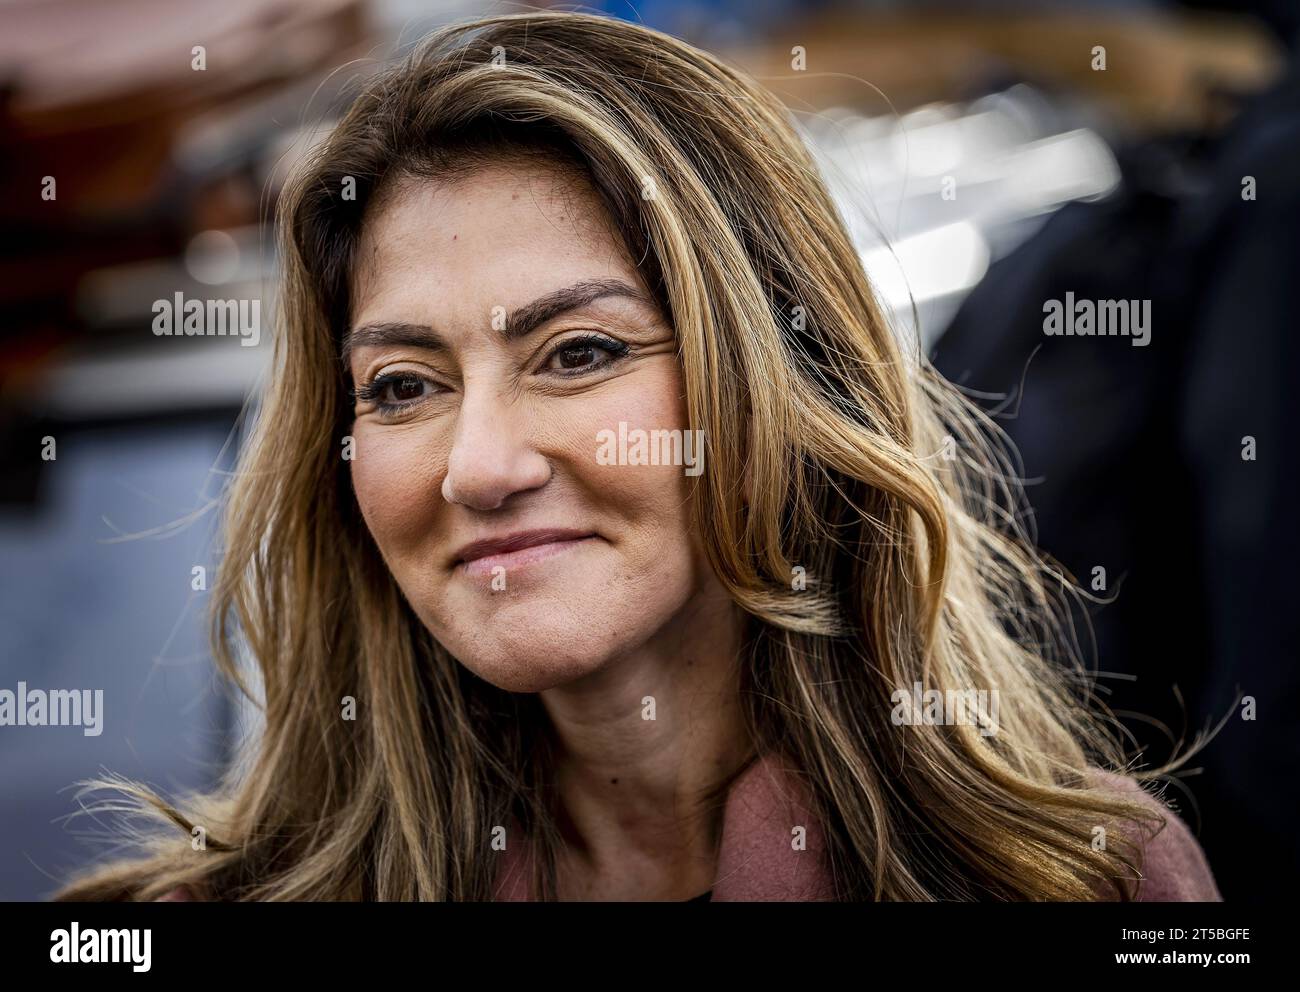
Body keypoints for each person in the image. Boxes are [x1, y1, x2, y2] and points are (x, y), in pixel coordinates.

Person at [54, 11, 1218, 902]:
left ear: (776, 381)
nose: (480, 463)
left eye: (575, 353)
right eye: (404, 386)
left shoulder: (1083, 883)